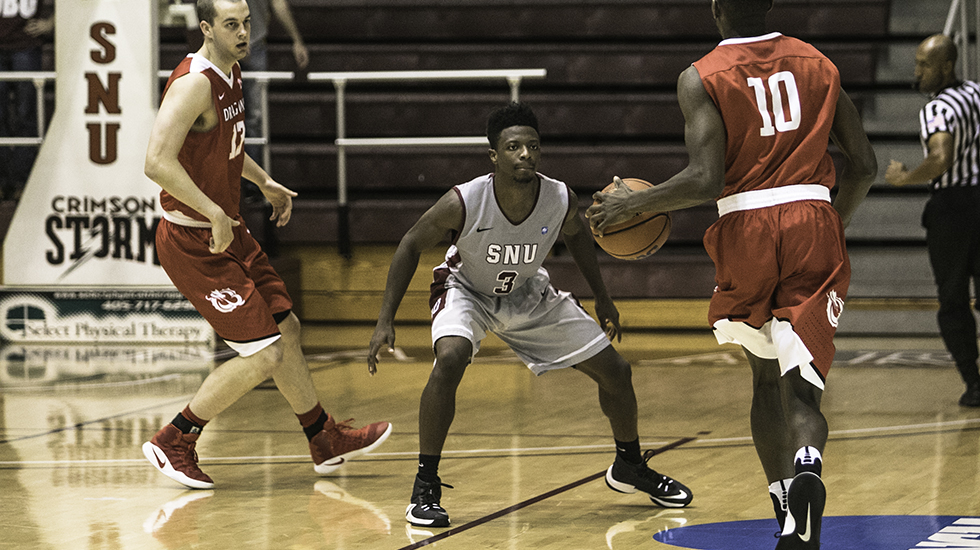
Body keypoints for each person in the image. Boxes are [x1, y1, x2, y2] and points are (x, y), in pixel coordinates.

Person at [586, 1, 877, 548]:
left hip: (746, 226)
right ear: (769, 3)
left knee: (764, 378)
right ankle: (808, 466)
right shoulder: (818, 63)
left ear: (716, 7)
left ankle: (784, 505)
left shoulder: (701, 76)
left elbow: (705, 179)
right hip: (812, 218)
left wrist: (631, 206)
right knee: (803, 390)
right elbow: (864, 165)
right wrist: (829, 223)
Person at [367, 102, 693, 529]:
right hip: (466, 290)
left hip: (526, 293)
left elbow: (578, 237)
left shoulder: (558, 196)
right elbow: (411, 242)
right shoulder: (465, 200)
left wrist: (602, 297)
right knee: (450, 357)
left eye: (533, 146)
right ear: (494, 155)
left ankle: (629, 465)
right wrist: (385, 318)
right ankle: (424, 487)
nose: (525, 153)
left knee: (616, 370)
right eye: (514, 147)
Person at [142, 0, 390, 490]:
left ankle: (323, 438)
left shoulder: (231, 71)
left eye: (247, 23)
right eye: (231, 25)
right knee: (265, 354)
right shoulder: (194, 83)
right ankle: (174, 439)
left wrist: (262, 181)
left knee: (287, 328)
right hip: (193, 239)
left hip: (226, 229)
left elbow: (226, 147)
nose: (243, 33)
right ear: (206, 28)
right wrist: (214, 212)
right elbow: (156, 162)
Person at [884, 34, 980, 408]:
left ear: (947, 66)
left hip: (953, 209)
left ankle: (974, 383)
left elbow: (940, 157)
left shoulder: (937, 108)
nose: (917, 72)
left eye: (925, 65)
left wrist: (905, 177)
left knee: (952, 299)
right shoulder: (975, 93)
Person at [240, 0, 308, 170]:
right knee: (225, 114)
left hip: (255, 44)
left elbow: (279, 3)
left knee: (255, 117)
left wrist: (297, 41)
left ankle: (252, 182)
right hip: (226, 45)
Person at [0, 0, 53, 201]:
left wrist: (50, 23)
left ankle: (23, 181)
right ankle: (4, 181)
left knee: (27, 114)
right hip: (23, 47)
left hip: (26, 45)